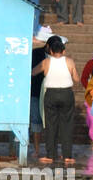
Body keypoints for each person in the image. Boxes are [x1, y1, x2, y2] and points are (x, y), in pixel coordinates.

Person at [32, 35, 79, 165]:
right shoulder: (69, 61)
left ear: (51, 51)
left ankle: (50, 155)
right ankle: (67, 155)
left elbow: (33, 72)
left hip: (51, 94)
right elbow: (76, 79)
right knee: (67, 125)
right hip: (66, 94)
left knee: (51, 125)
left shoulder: (46, 62)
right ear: (63, 51)